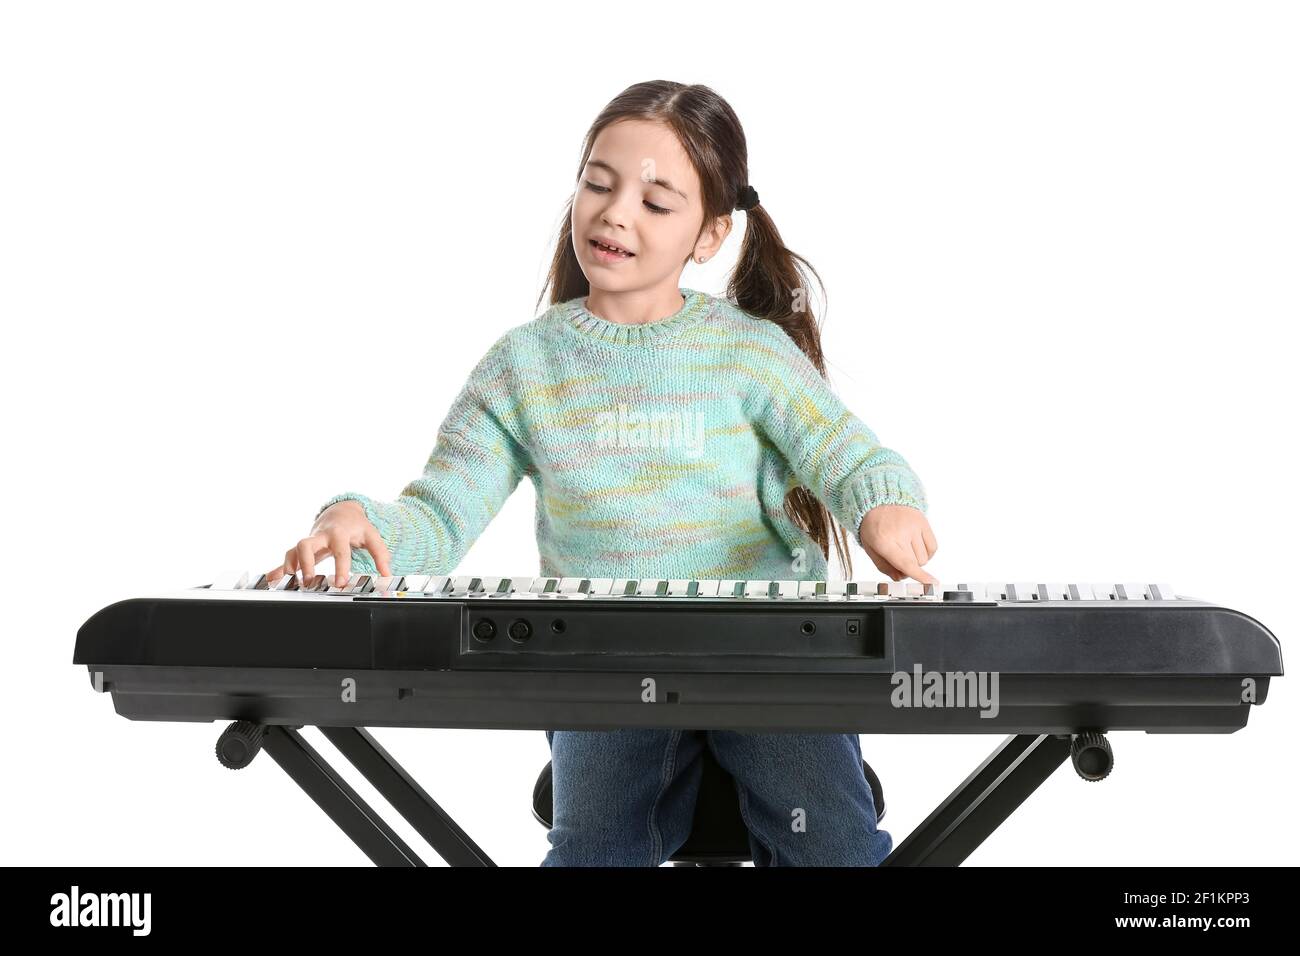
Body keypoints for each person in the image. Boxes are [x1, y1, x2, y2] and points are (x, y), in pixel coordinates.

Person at [266, 80, 938, 866]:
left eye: (657, 202)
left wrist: (881, 506)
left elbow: (849, 454)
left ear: (710, 233)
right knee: (594, 849)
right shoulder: (524, 364)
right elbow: (443, 512)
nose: (616, 213)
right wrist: (361, 523)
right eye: (598, 184)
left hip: (767, 652)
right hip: (600, 660)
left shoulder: (747, 349)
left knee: (834, 847)